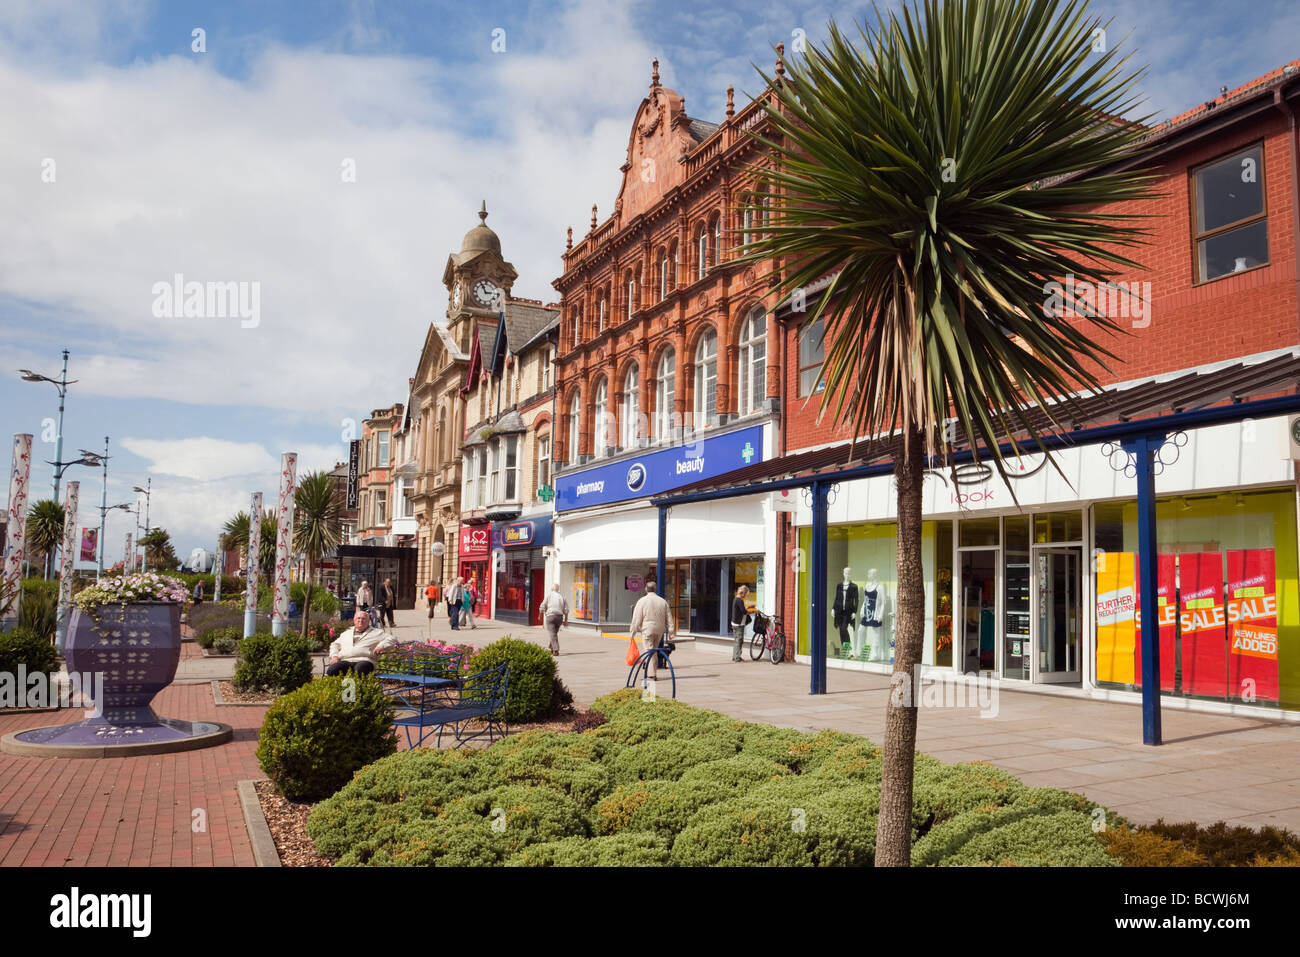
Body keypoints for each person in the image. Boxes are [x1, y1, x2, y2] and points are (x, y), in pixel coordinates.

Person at [326, 609, 397, 676]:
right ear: (354, 620)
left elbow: (392, 638)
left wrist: (381, 646)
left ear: (368, 621)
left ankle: (356, 688)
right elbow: (334, 644)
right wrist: (334, 656)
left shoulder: (376, 632)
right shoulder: (346, 633)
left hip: (365, 660)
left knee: (359, 670)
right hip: (345, 660)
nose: (361, 620)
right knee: (332, 670)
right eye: (358, 618)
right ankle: (341, 688)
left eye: (363, 618)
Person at [629, 581, 672, 679]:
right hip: (659, 630)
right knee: (654, 651)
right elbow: (669, 617)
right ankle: (651, 670)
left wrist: (632, 633)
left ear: (646, 589)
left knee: (650, 651)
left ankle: (651, 674)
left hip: (647, 630)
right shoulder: (662, 601)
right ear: (655, 590)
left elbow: (636, 619)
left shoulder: (642, 601)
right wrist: (671, 631)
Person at [539, 583, 568, 656]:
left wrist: (540, 615)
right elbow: (566, 609)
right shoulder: (562, 597)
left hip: (550, 616)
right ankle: (551, 648)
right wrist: (565, 621)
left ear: (552, 589)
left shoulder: (549, 595)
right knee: (554, 633)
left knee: (552, 634)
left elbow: (542, 606)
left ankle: (556, 649)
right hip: (559, 617)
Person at [730, 585, 751, 662]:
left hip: (735, 623)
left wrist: (749, 607)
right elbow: (744, 612)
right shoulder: (739, 600)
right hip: (739, 624)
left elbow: (741, 609)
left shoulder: (736, 599)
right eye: (745, 594)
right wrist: (754, 611)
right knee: (739, 641)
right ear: (742, 593)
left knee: (736, 641)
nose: (745, 596)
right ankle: (737, 658)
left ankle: (735, 656)